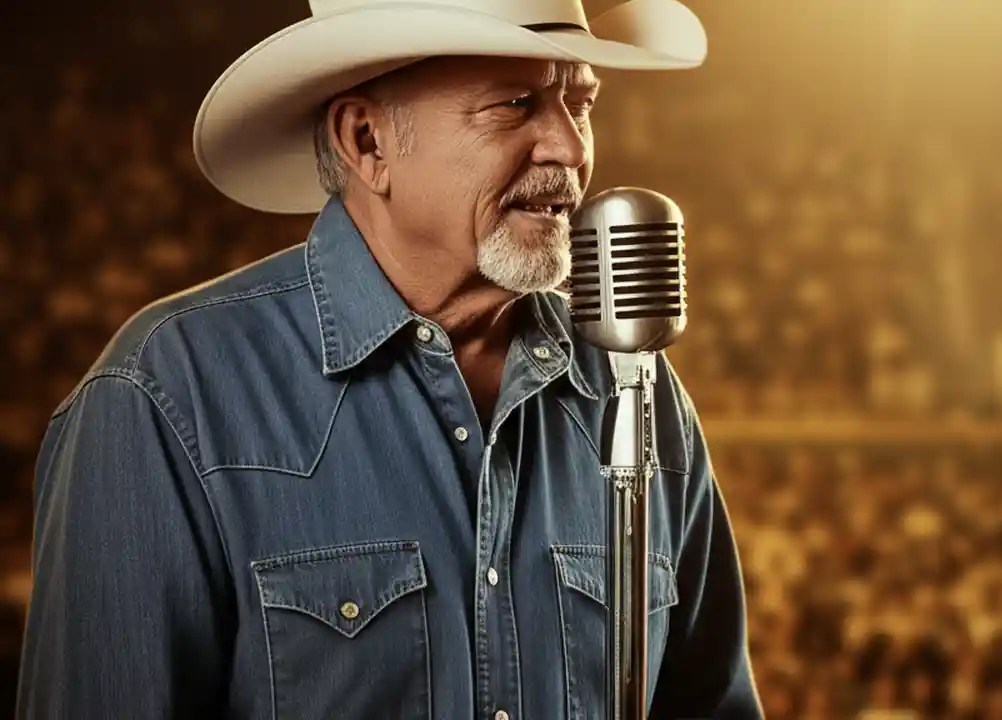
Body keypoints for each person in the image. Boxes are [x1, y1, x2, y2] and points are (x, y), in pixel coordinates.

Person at [16, 1, 763, 717]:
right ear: (367, 141)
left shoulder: (635, 384)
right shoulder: (166, 395)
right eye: (514, 105)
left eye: (580, 103)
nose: (569, 148)